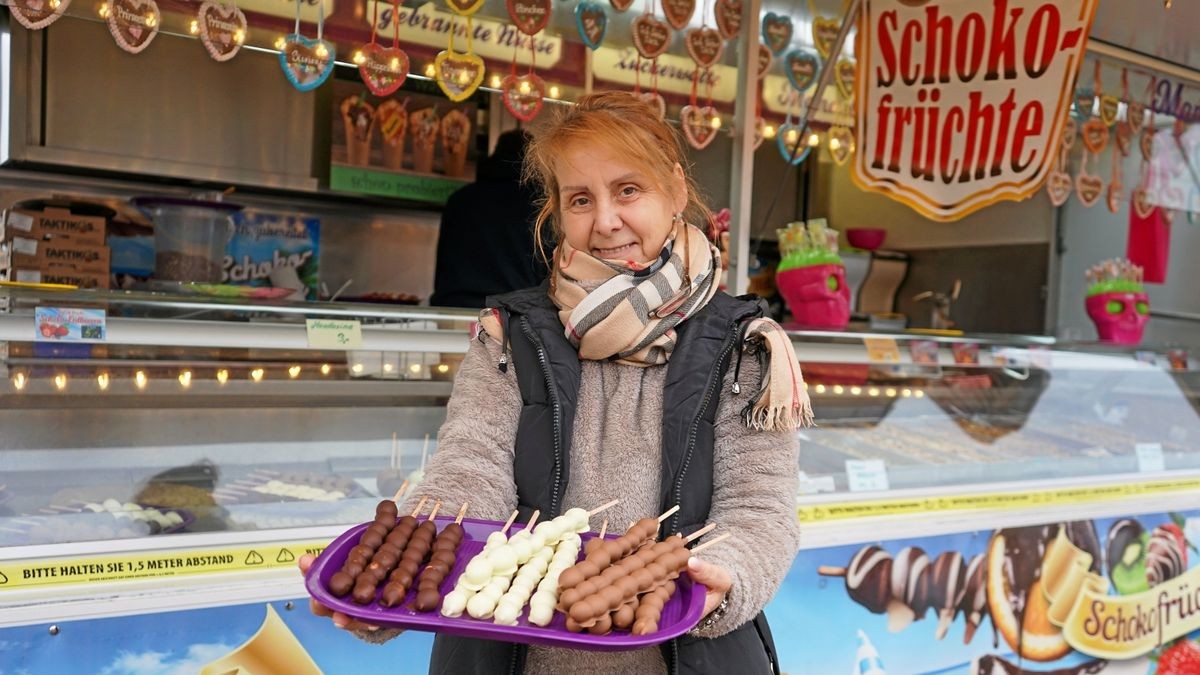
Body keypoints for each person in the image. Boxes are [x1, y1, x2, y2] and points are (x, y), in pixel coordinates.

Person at [300, 92, 809, 674]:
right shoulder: (510, 334)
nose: (606, 221)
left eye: (628, 190)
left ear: (674, 189)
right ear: (556, 210)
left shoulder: (746, 346)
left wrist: (725, 579)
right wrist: (400, 568)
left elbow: (759, 510)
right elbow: (471, 469)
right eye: (580, 199)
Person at [429, 129, 549, 308]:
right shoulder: (541, 205)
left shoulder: (460, 200)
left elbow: (442, 271)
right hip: (516, 316)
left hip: (455, 309)